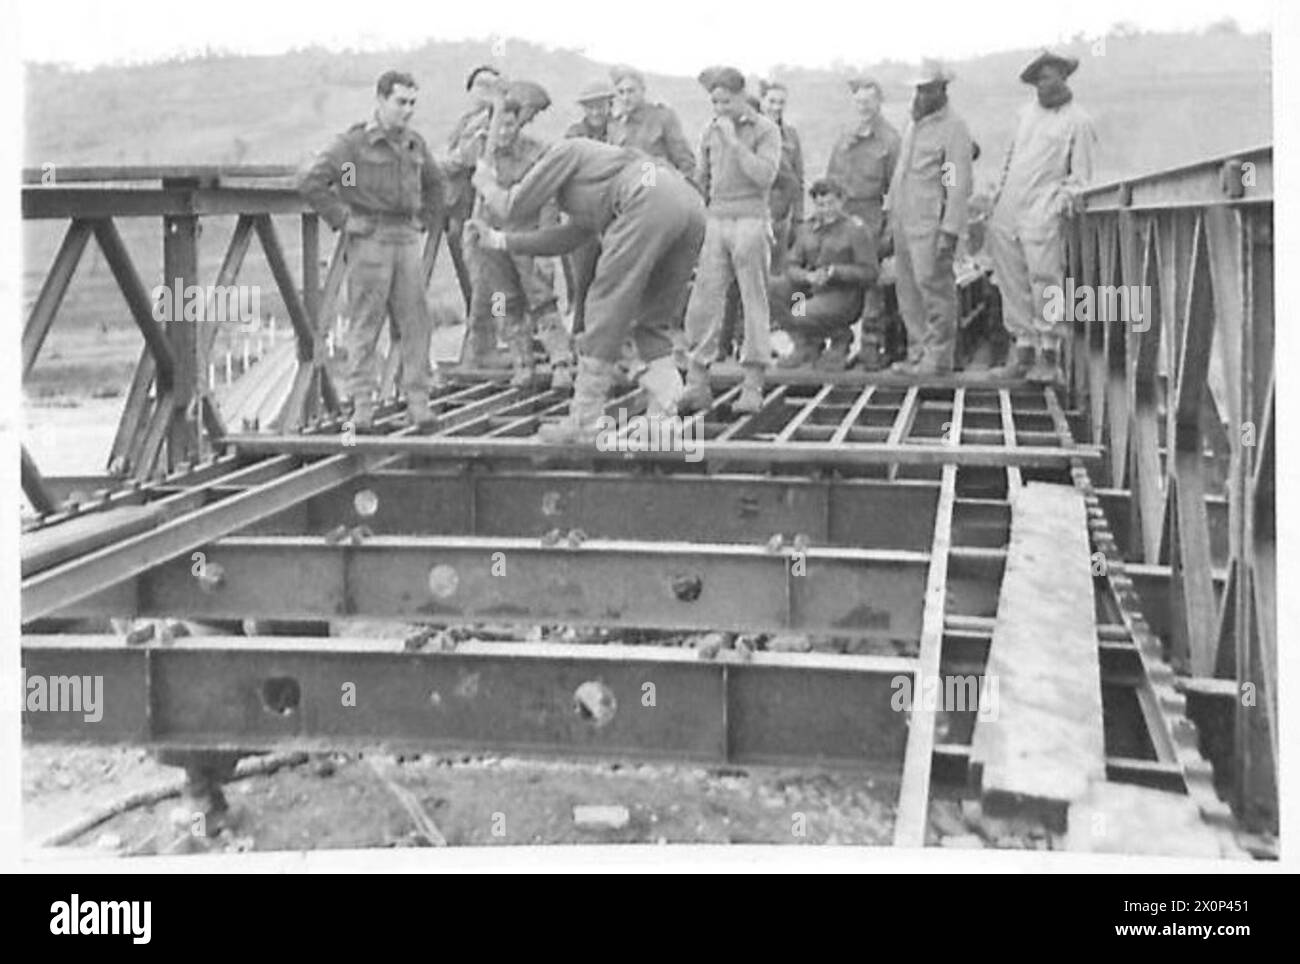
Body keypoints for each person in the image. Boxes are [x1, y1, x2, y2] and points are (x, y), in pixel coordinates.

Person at [467, 126, 706, 443]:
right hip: (686, 202)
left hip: (647, 197)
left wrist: (485, 182)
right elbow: (567, 238)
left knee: (604, 304)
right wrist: (498, 240)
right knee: (650, 319)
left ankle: (585, 418)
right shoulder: (596, 177)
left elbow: (511, 206)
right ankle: (665, 408)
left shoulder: (565, 151)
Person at [298, 69, 445, 429]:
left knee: (416, 322)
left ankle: (418, 401)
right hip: (371, 239)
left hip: (406, 239)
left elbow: (436, 184)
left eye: (412, 103)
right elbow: (313, 181)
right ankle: (362, 404)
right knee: (366, 322)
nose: (407, 110)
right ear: (380, 100)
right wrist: (344, 218)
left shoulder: (415, 144)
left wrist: (425, 218)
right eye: (400, 102)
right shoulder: (354, 146)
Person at [451, 81, 572, 389]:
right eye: (498, 125)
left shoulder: (536, 152)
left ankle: (561, 362)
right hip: (490, 238)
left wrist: (546, 242)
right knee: (502, 301)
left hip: (525, 235)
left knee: (541, 298)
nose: (503, 132)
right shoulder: (481, 148)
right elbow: (453, 161)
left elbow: (549, 197)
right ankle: (522, 362)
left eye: (509, 124)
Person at [986, 49, 1097, 384]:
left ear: (1064, 77)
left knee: (1045, 280)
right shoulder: (1024, 115)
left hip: (1043, 208)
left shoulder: (1079, 120)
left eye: (1050, 76)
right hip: (1009, 209)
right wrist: (995, 200)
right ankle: (1022, 350)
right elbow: (1010, 159)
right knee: (1011, 281)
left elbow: (1080, 176)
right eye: (1038, 79)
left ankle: (1049, 354)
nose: (1044, 84)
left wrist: (1063, 199)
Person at [679, 66, 781, 415]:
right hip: (717, 219)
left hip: (751, 218)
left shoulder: (766, 129)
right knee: (704, 298)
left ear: (740, 96)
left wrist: (735, 143)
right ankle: (697, 381)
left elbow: (765, 176)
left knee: (754, 300)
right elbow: (702, 178)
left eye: (725, 100)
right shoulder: (709, 130)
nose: (719, 107)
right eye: (714, 101)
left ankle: (753, 382)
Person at [886, 60, 973, 376]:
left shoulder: (953, 128)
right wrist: (890, 214)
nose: (921, 96)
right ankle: (917, 352)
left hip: (930, 224)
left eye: (928, 90)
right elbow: (902, 172)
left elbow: (955, 182)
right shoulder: (913, 125)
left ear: (942, 90)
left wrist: (949, 229)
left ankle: (938, 356)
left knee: (934, 289)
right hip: (903, 221)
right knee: (907, 290)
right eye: (918, 90)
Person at [826, 76, 901, 370]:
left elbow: (896, 189)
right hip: (841, 214)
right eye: (858, 101)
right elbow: (831, 178)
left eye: (868, 101)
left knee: (872, 285)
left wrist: (889, 229)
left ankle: (871, 345)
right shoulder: (844, 136)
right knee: (836, 280)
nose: (863, 107)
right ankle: (838, 343)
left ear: (879, 102)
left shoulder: (891, 140)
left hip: (871, 214)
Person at [769, 178, 878, 370]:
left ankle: (840, 338)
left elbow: (870, 272)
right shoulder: (807, 229)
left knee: (800, 311)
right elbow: (791, 265)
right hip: (810, 291)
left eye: (830, 204)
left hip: (842, 296)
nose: (826, 209)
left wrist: (835, 272)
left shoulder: (854, 230)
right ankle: (805, 345)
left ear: (841, 201)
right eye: (820, 205)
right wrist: (807, 276)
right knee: (774, 291)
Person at [443, 65, 504, 317]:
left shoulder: (497, 120)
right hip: (460, 200)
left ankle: (498, 321)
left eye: (492, 86)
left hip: (484, 201)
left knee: (492, 269)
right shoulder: (465, 121)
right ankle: (477, 318)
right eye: (480, 85)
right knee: (466, 261)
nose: (485, 91)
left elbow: (466, 157)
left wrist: (438, 162)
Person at [607, 65, 696, 178]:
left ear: (643, 90)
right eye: (621, 92)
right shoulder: (615, 125)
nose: (626, 98)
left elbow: (685, 161)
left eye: (631, 91)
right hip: (626, 189)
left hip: (657, 186)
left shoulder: (662, 117)